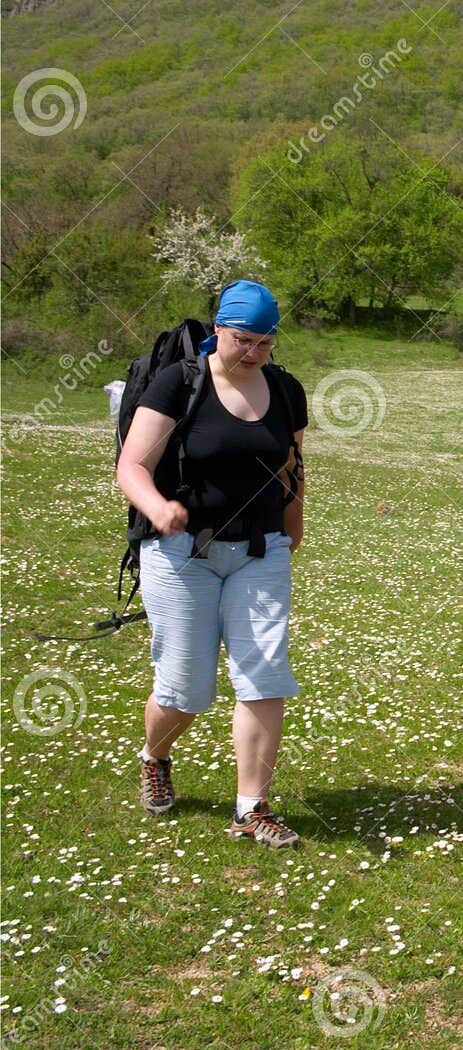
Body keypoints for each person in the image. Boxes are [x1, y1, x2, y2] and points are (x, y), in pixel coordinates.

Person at [116, 279, 307, 848]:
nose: (253, 352)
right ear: (219, 328)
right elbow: (132, 466)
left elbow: (292, 466)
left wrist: (292, 528)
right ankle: (155, 756)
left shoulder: (286, 389)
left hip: (259, 551)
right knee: (186, 688)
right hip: (182, 554)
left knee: (264, 675)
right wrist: (158, 508)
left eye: (264, 343)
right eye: (242, 339)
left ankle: (252, 807)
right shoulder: (180, 383)